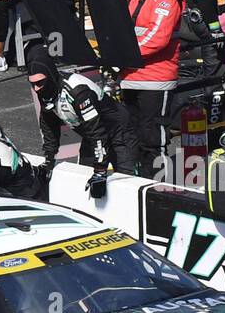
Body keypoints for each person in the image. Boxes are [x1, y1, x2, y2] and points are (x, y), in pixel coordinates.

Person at [26, 46, 141, 199]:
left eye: (39, 83)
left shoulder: (78, 92)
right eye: (32, 84)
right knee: (82, 179)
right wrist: (49, 160)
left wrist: (100, 171)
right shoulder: (46, 90)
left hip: (119, 133)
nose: (36, 88)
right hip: (90, 135)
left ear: (50, 75)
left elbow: (97, 132)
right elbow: (49, 127)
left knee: (128, 185)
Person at [122, 0, 183, 177]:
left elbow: (157, 38)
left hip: (155, 80)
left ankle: (156, 187)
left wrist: (121, 55)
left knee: (152, 140)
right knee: (130, 137)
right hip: (128, 76)